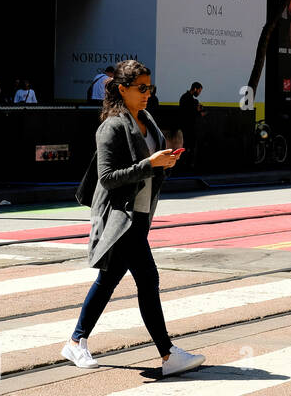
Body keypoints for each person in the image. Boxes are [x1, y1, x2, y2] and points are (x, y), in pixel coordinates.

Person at [62, 60, 205, 377]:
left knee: (108, 281)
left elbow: (151, 164)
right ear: (122, 89)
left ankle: (76, 341)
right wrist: (151, 165)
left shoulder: (148, 119)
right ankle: (168, 354)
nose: (147, 94)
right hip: (120, 217)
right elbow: (108, 178)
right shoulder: (111, 127)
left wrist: (165, 162)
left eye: (149, 88)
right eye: (141, 88)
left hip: (139, 214)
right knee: (148, 281)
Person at [178, 82, 206, 168]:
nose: (199, 93)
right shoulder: (190, 100)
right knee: (189, 146)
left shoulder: (185, 97)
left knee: (187, 146)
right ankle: (187, 165)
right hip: (188, 127)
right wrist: (199, 112)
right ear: (195, 89)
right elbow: (190, 113)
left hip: (186, 126)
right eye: (199, 91)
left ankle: (184, 164)